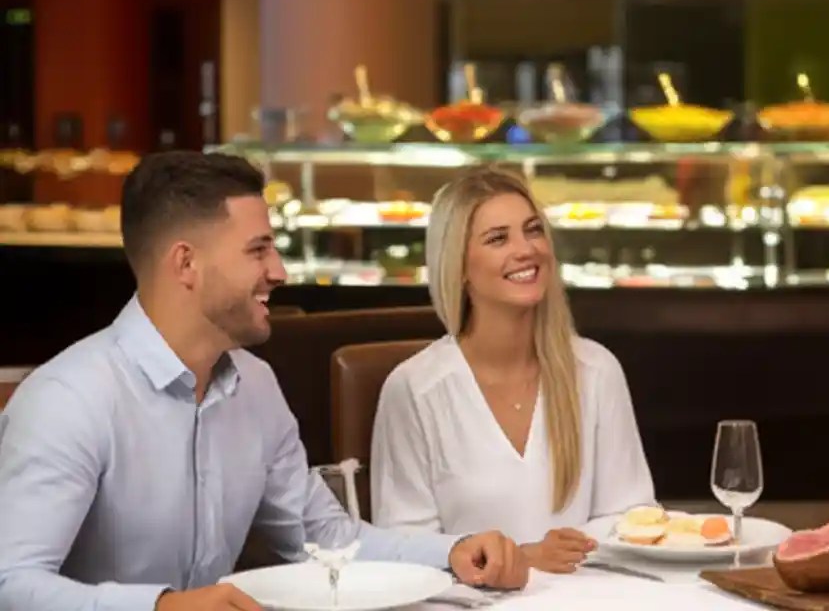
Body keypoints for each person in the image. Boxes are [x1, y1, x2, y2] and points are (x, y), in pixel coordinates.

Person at [0, 151, 529, 611]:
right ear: (186, 263)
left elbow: (326, 539)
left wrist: (454, 552)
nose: (279, 271)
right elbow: (11, 584)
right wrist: (161, 606)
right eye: (258, 250)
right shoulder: (68, 399)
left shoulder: (256, 385)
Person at [370, 166, 656, 574]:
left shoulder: (596, 370)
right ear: (460, 267)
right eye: (498, 238)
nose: (526, 249)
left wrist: (573, 554)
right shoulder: (414, 389)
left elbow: (633, 519)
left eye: (533, 230)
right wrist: (522, 557)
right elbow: (402, 549)